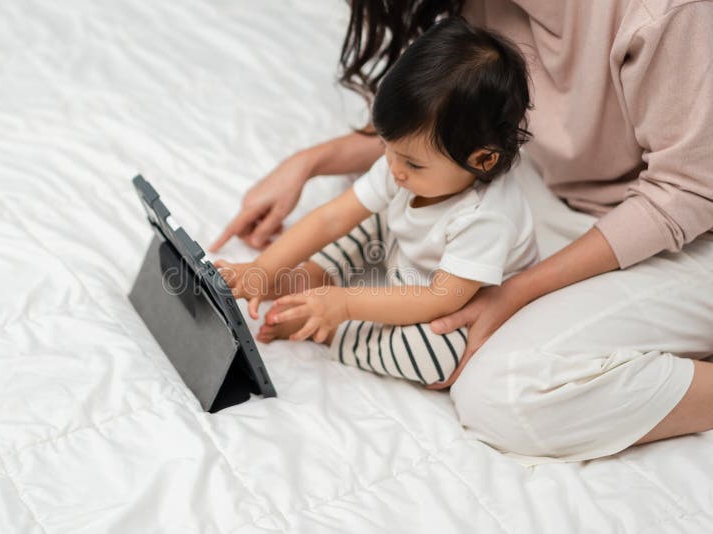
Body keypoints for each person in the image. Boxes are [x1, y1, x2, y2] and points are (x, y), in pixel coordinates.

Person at [210, 0, 713, 463]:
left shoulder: (667, 14)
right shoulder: (482, 33)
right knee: (398, 201)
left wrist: (512, 293)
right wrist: (307, 166)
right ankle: (307, 285)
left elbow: (685, 192)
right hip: (565, 198)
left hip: (688, 233)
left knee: (498, 393)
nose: (394, 167)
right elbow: (435, 132)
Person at [215, 17, 538, 386]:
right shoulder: (406, 168)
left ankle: (335, 332)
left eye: (412, 162)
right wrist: (263, 268)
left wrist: (346, 305)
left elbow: (439, 300)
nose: (394, 169)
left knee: (436, 355)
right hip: (403, 256)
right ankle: (307, 279)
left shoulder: (487, 217)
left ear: (482, 159)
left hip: (447, 296)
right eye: (388, 149)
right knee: (365, 217)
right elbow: (332, 219)